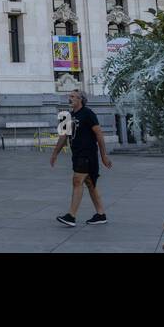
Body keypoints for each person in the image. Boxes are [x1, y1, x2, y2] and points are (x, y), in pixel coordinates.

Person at [50, 91, 112, 226]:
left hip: (87, 153)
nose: (69, 99)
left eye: (73, 97)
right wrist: (55, 153)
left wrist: (103, 155)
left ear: (81, 100)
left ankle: (71, 216)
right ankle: (101, 214)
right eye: (69, 96)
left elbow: (99, 134)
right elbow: (63, 137)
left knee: (77, 181)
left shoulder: (88, 113)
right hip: (76, 154)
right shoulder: (67, 116)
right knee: (90, 183)